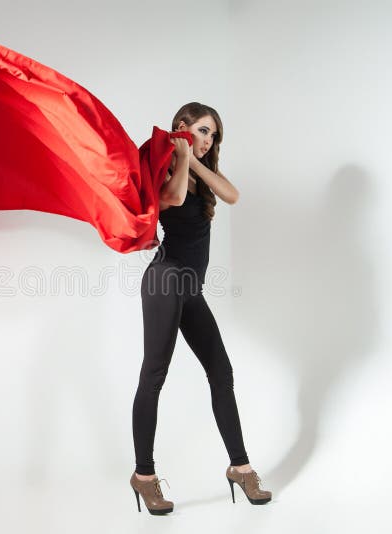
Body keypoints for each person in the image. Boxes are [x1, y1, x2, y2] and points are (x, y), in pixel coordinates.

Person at [129, 102, 272, 514]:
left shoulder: (202, 173)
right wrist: (180, 159)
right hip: (165, 280)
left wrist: (192, 156)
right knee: (154, 374)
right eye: (203, 131)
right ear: (181, 128)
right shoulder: (164, 171)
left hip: (190, 288)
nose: (208, 140)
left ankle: (240, 468)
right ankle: (144, 475)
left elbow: (233, 194)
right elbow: (171, 199)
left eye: (213, 135)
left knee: (221, 371)